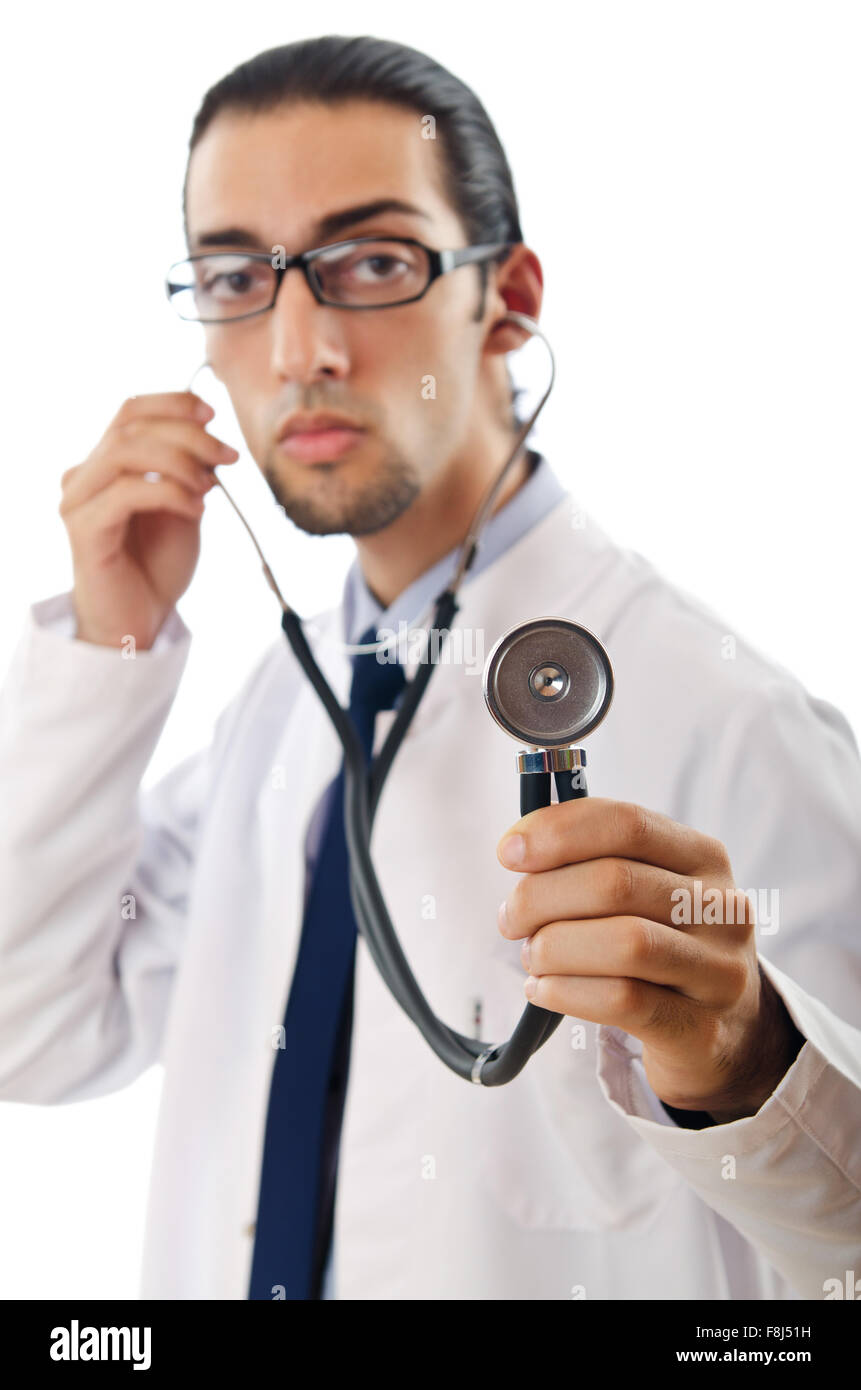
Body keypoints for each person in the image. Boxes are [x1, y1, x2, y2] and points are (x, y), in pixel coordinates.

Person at [1, 34, 859, 1302]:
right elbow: (38, 1023)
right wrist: (109, 646)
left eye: (374, 261)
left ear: (506, 299)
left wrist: (746, 1064)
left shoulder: (733, 726)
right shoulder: (279, 719)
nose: (299, 350)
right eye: (238, 274)